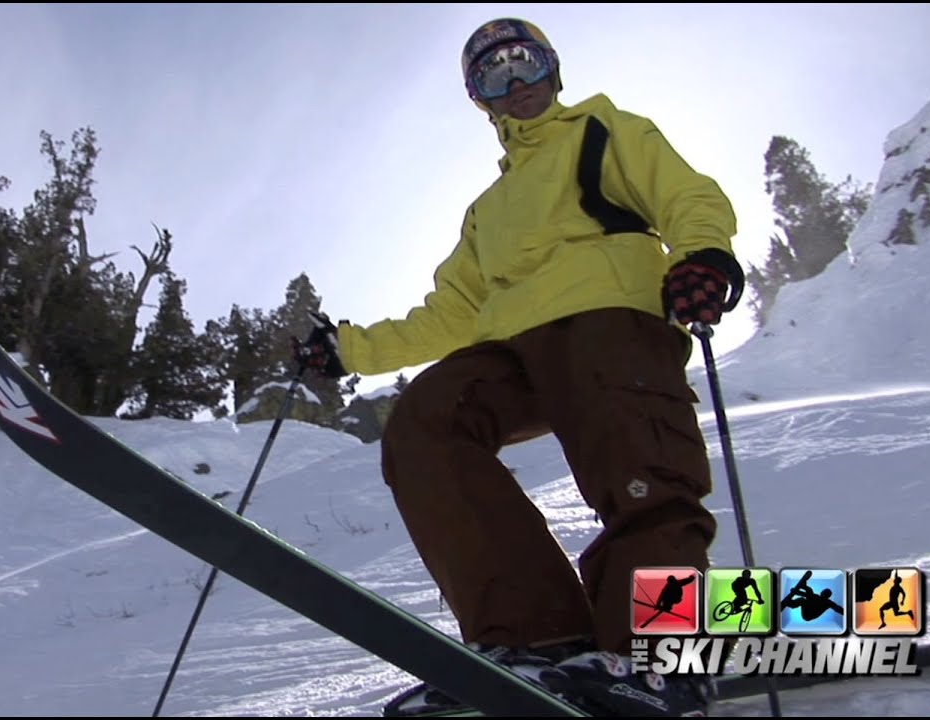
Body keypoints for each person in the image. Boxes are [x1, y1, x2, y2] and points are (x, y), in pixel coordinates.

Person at [293, 16, 743, 718]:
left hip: (606, 316)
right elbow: (449, 314)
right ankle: (537, 638)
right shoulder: (486, 212)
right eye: (493, 75)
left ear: (551, 68)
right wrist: (348, 350)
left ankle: (654, 653)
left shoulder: (601, 130)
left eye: (524, 63)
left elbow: (686, 195)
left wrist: (704, 255)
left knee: (637, 463)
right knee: (427, 421)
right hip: (510, 346)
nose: (515, 83)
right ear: (480, 100)